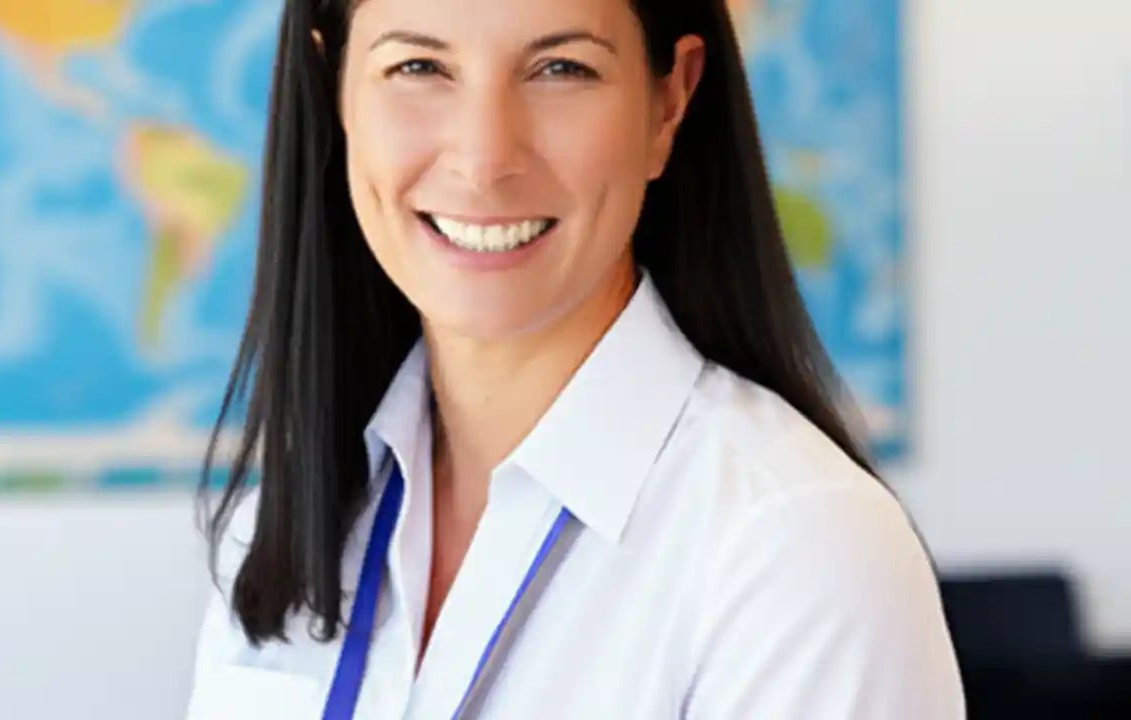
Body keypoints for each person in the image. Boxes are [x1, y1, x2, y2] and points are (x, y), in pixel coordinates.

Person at [187, 0, 965, 716]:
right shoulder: (284, 523)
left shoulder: (799, 550)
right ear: (334, 93)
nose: (484, 158)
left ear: (668, 105)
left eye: (562, 68)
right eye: (419, 67)